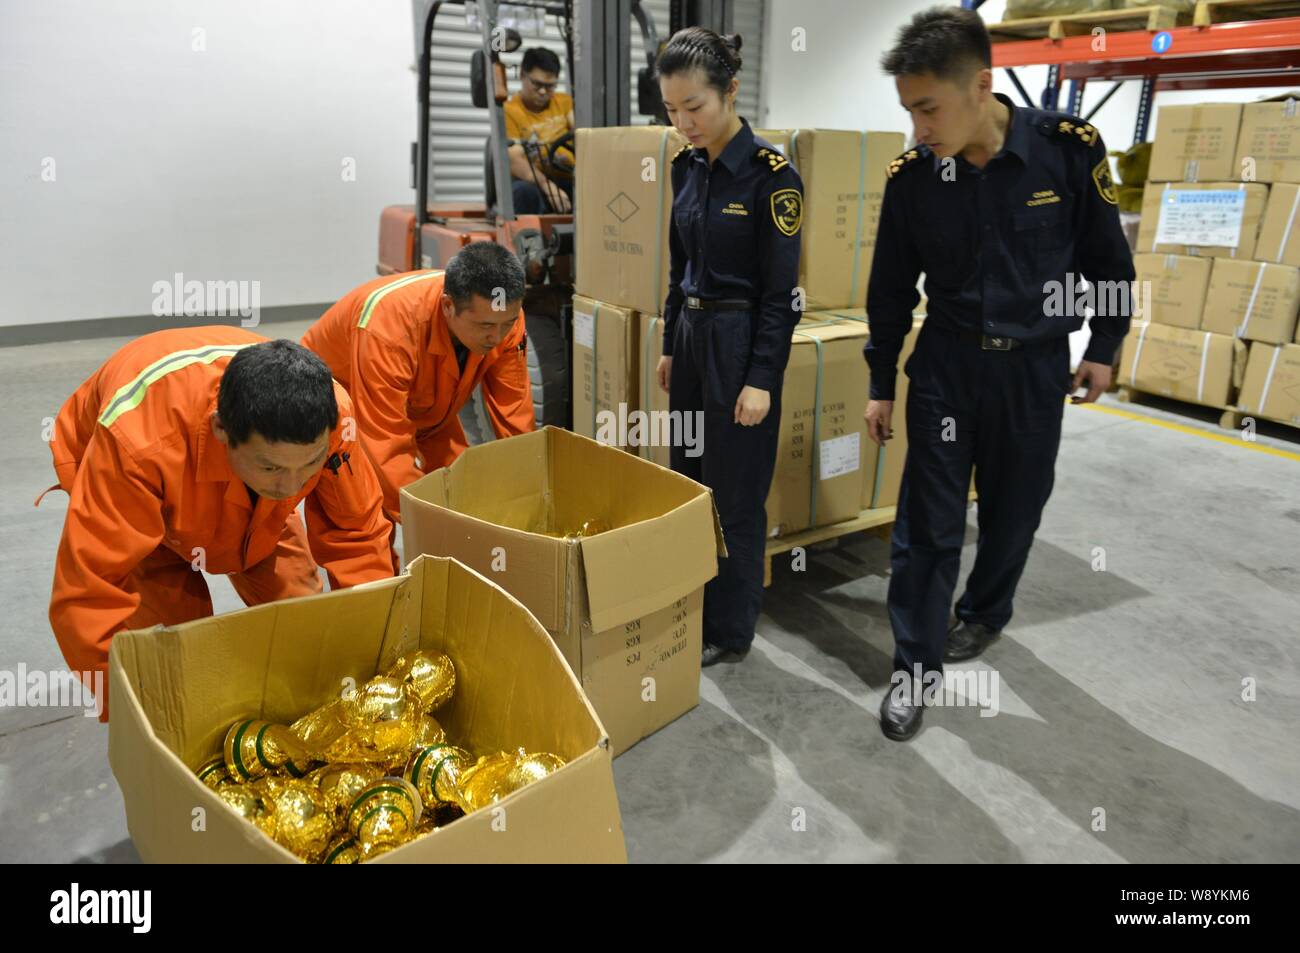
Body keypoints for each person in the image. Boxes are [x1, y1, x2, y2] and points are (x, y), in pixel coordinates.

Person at [864, 7, 1135, 741]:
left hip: (1035, 371)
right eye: (908, 111)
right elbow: (889, 290)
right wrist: (880, 381)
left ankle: (983, 613)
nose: (919, 126)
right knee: (929, 526)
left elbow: (1107, 260)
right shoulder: (915, 178)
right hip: (948, 368)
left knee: (1016, 510)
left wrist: (1105, 343)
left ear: (981, 86)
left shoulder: (1068, 151)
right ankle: (913, 666)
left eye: (929, 107)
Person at [42, 328, 395, 720]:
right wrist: (136, 718)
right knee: (175, 660)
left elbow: (358, 534)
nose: (292, 486)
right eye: (271, 466)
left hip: (254, 507)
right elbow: (91, 592)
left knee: (302, 629)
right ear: (221, 429)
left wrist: (375, 647)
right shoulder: (135, 442)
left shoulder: (333, 419)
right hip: (151, 497)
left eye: (310, 466)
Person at [655, 27, 804, 667]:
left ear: (730, 92)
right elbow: (677, 267)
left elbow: (781, 296)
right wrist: (669, 343)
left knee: (734, 494)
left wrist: (762, 378)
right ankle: (690, 609)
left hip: (740, 344)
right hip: (690, 340)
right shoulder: (683, 169)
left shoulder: (774, 177)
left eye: (695, 107)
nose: (684, 122)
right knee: (688, 478)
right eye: (670, 109)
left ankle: (730, 629)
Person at [302, 241, 533, 525]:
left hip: (425, 401)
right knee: (363, 519)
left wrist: (530, 494)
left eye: (507, 324)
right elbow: (385, 447)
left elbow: (515, 414)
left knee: (462, 487)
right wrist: (436, 522)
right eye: (485, 327)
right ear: (448, 306)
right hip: (341, 402)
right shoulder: (387, 330)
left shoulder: (502, 314)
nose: (497, 337)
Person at [504, 46, 574, 214]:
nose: (543, 92)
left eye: (550, 86)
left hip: (567, 177)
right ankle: (528, 239)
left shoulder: (564, 103)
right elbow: (514, 160)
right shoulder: (510, 110)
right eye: (537, 84)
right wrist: (547, 186)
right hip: (535, 182)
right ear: (522, 75)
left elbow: (583, 133)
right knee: (523, 192)